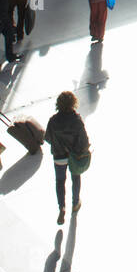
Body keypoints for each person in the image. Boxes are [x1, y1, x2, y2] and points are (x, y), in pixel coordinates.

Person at [45, 90, 90, 225]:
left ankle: (62, 207)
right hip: (74, 156)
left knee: (60, 181)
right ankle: (75, 203)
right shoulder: (76, 120)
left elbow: (47, 138)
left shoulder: (53, 120)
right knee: (75, 177)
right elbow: (84, 140)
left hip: (59, 156)